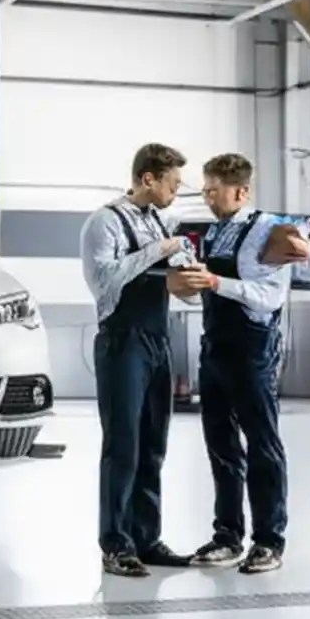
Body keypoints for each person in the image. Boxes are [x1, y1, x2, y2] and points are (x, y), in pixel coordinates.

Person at [168, 153, 310, 575]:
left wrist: (216, 281)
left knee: (262, 446)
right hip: (215, 349)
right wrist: (191, 286)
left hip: (254, 350)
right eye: (204, 188)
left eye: (213, 189)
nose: (206, 196)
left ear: (240, 191)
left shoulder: (271, 230)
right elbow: (206, 289)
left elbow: (270, 296)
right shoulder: (212, 234)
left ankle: (268, 541)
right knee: (221, 445)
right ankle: (227, 537)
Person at [79, 143, 199, 577]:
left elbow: (173, 286)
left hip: (157, 340)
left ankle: (146, 539)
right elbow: (104, 282)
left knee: (153, 446)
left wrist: (192, 280)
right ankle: (116, 544)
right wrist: (158, 251)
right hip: (122, 341)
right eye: (172, 183)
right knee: (123, 446)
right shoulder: (103, 222)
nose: (176, 193)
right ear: (147, 178)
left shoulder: (156, 223)